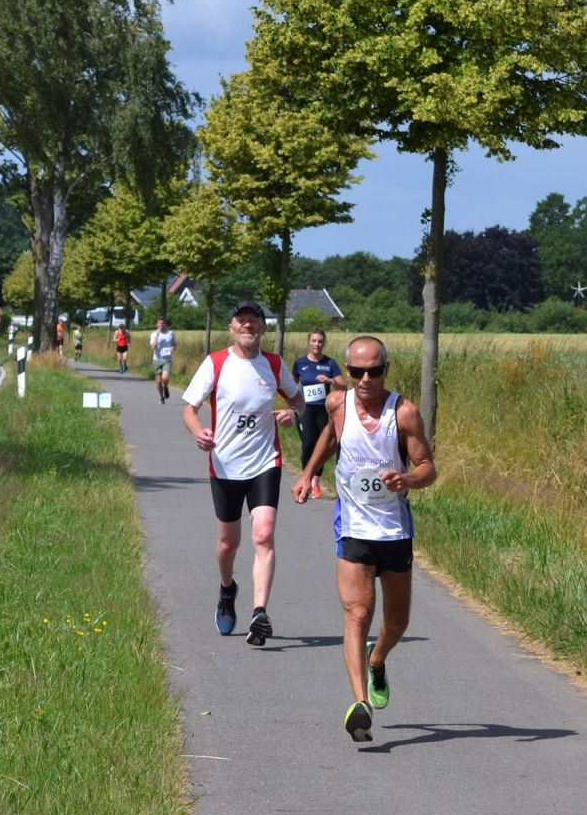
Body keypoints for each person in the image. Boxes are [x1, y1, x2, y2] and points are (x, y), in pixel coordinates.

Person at [292, 336, 436, 743]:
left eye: (374, 371)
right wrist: (309, 473)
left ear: (386, 369)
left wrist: (406, 478)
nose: (366, 379)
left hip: (394, 529)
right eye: (357, 372)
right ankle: (360, 705)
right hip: (353, 528)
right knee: (357, 613)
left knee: (397, 622)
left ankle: (377, 659)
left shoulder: (404, 413)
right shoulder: (337, 404)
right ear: (348, 372)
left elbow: (428, 466)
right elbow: (331, 437)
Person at [182, 300, 305, 645]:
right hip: (225, 465)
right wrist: (198, 432)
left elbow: (298, 401)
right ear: (232, 327)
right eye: (242, 320)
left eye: (254, 320)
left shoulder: (274, 364)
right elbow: (189, 409)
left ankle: (259, 613)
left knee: (263, 534)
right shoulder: (216, 363)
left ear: (263, 328)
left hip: (265, 462)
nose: (248, 325)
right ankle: (227, 589)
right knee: (228, 543)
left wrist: (292, 415)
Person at [291, 328, 345, 498]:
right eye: (314, 341)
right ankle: (305, 478)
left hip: (324, 410)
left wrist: (330, 380)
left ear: (324, 343)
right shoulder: (300, 363)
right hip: (305, 409)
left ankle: (315, 483)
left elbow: (343, 386)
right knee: (308, 444)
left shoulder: (330, 363)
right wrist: (292, 404)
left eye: (320, 341)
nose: (317, 344)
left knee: (320, 446)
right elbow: (291, 386)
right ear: (309, 342)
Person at [150, 317, 177, 404]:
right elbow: (153, 347)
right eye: (159, 323)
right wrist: (157, 336)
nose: (161, 325)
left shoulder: (170, 333)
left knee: (165, 378)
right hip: (157, 359)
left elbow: (174, 344)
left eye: (163, 323)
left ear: (165, 324)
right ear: (157, 324)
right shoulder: (153, 334)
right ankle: (161, 397)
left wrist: (173, 348)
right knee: (158, 382)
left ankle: (165, 387)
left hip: (167, 359)